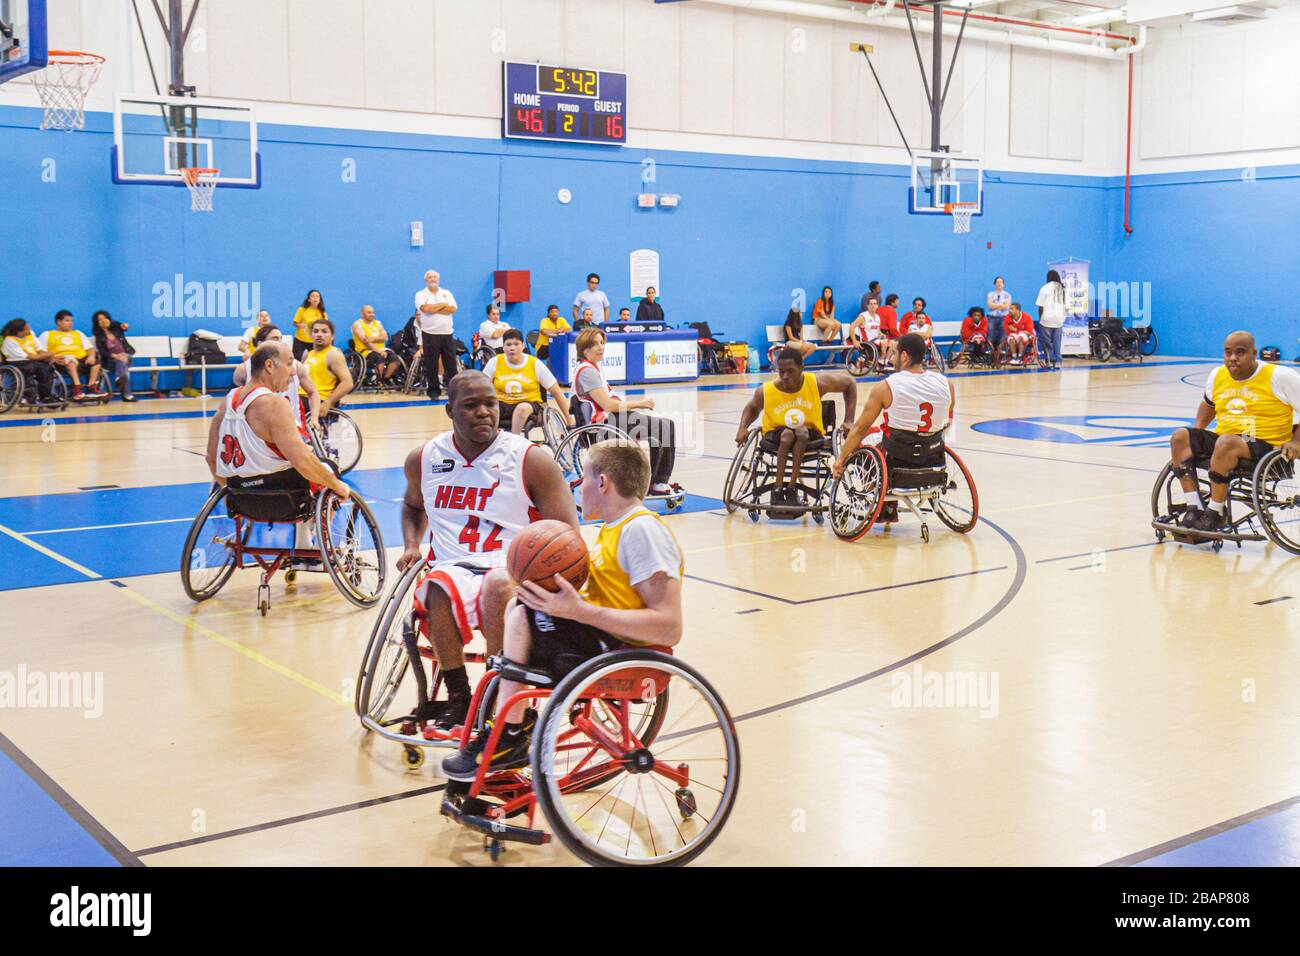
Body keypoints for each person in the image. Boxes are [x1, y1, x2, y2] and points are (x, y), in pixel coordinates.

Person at [441, 439, 682, 780]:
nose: (576, 486)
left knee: (524, 614)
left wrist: (577, 611)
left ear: (603, 483)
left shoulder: (641, 530)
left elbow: (669, 627)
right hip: (605, 643)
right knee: (523, 602)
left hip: (631, 655)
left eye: (581, 477)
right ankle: (510, 724)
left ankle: (511, 733)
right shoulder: (612, 531)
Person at [395, 371, 580, 731]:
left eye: (490, 404)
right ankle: (460, 696)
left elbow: (567, 533)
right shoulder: (424, 458)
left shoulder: (530, 459)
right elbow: (413, 506)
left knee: (498, 585)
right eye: (471, 406)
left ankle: (500, 694)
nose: (483, 412)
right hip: (453, 567)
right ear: (449, 410)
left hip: (516, 568)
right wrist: (412, 544)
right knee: (436, 586)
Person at [1163, 331, 1300, 537]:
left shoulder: (1279, 376)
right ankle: (1195, 507)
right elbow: (1209, 405)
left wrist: (1296, 441)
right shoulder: (1217, 374)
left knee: (1227, 443)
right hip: (1227, 439)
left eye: (1240, 352)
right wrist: (1196, 434)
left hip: (1265, 444)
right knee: (1180, 437)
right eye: (1228, 353)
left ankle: (1216, 512)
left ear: (1254, 353)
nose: (1233, 358)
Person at [204, 341, 349, 522]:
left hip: (241, 501)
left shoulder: (227, 401)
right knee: (327, 469)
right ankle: (307, 541)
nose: (293, 371)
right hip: (285, 501)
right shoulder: (276, 404)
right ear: (269, 366)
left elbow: (211, 458)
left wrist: (233, 492)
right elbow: (303, 462)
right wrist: (338, 485)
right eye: (289, 363)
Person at [834, 332, 956, 523]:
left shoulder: (886, 386)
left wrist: (840, 459)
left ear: (905, 356)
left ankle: (880, 497)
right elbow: (948, 421)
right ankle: (886, 501)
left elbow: (859, 428)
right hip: (933, 454)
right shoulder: (947, 384)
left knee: (857, 436)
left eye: (894, 353)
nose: (891, 358)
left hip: (898, 454)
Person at [734, 347, 856, 507]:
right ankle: (778, 488)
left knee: (801, 431)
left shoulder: (816, 383)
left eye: (791, 371)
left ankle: (791, 487)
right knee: (787, 435)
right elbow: (751, 408)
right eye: (781, 371)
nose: (785, 376)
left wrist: (849, 420)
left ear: (802, 369)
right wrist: (742, 428)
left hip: (810, 433)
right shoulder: (765, 391)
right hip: (775, 434)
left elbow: (849, 383)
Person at [573, 327, 680, 497]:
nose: (600, 347)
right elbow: (607, 405)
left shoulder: (593, 368)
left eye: (602, 343)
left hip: (613, 420)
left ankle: (658, 481)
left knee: (666, 426)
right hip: (603, 427)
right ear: (584, 349)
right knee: (663, 428)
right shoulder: (587, 372)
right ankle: (658, 482)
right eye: (595, 344)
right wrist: (640, 403)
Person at [483, 329, 572, 434]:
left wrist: (569, 420)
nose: (512, 348)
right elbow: (481, 387)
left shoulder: (534, 363)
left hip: (529, 403)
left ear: (523, 345)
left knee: (522, 408)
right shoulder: (495, 362)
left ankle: (515, 441)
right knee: (488, 408)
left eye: (516, 344)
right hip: (502, 403)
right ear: (503, 347)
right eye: (508, 344)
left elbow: (556, 392)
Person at [232, 325, 320, 431]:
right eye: (275, 339)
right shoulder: (243, 370)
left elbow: (313, 392)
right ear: (260, 344)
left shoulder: (296, 367)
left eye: (280, 339)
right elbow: (236, 401)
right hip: (257, 430)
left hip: (291, 428)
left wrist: (314, 419)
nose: (280, 342)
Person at [415, 269, 459, 401]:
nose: (432, 279)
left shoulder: (447, 293)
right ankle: (434, 391)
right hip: (430, 333)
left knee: (451, 364)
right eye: (430, 277)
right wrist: (442, 305)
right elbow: (425, 309)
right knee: (431, 364)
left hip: (447, 333)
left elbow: (452, 309)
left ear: (438, 279)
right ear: (426, 280)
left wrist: (434, 308)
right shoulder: (420, 294)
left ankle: (454, 391)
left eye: (435, 277)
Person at [40, 310, 103, 401]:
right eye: (67, 320)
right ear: (58, 322)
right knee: (69, 359)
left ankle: (91, 386)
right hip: (61, 362)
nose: (70, 323)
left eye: (71, 321)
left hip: (81, 361)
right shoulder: (47, 334)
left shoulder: (78, 333)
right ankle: (77, 388)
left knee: (96, 358)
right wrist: (52, 358)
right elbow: (41, 352)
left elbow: (90, 348)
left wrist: (91, 356)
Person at [303, 318, 353, 416]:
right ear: (311, 335)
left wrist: (329, 401)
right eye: (316, 331)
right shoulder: (308, 354)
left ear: (332, 336)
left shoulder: (333, 354)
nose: (319, 334)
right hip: (302, 398)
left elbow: (348, 383)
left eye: (324, 331)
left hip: (318, 401)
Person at [0, 318, 56, 402]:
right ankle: (32, 395)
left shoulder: (31, 335)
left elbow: (40, 350)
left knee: (48, 367)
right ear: (19, 332)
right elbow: (31, 356)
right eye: (26, 329)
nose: (29, 329)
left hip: (33, 361)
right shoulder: (9, 341)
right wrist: (49, 355)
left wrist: (49, 356)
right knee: (38, 367)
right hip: (18, 362)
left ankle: (46, 396)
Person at [351, 305, 401, 387]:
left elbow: (385, 337)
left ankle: (385, 379)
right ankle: (378, 380)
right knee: (379, 357)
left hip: (382, 349)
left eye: (373, 312)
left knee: (394, 358)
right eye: (369, 312)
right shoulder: (357, 325)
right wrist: (379, 349)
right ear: (362, 314)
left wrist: (372, 339)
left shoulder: (378, 323)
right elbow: (366, 342)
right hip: (366, 351)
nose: (372, 314)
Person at [92, 310, 137, 402]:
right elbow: (102, 352)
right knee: (123, 367)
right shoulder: (99, 336)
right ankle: (126, 394)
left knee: (123, 357)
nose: (103, 320)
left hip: (127, 356)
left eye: (105, 318)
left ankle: (119, 379)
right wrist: (114, 356)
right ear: (97, 324)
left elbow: (123, 326)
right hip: (110, 361)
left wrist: (125, 326)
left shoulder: (116, 328)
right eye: (100, 319)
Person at [1035, 270, 1066, 371]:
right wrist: (1063, 317)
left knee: (1047, 342)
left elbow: (1040, 305)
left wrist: (1040, 319)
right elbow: (1067, 306)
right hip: (1059, 319)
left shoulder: (1044, 288)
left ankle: (1050, 361)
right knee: (1057, 341)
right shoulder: (1063, 288)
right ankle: (1058, 362)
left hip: (1046, 319)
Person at [291, 291, 326, 362]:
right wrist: (300, 325)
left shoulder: (322, 313)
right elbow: (295, 323)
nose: (315, 298)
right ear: (309, 299)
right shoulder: (302, 310)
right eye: (313, 296)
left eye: (317, 296)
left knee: (315, 360)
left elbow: (326, 326)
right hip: (300, 340)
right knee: (296, 360)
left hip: (315, 341)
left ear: (319, 300)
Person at [986, 277, 1010, 352]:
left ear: (1003, 284)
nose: (999, 284)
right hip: (992, 318)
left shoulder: (1007, 295)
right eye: (997, 282)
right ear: (995, 284)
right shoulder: (991, 294)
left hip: (1003, 318)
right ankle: (989, 351)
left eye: (1001, 282)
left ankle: (1002, 352)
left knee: (1003, 335)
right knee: (990, 334)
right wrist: (1001, 305)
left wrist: (995, 305)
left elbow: (1006, 306)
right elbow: (990, 305)